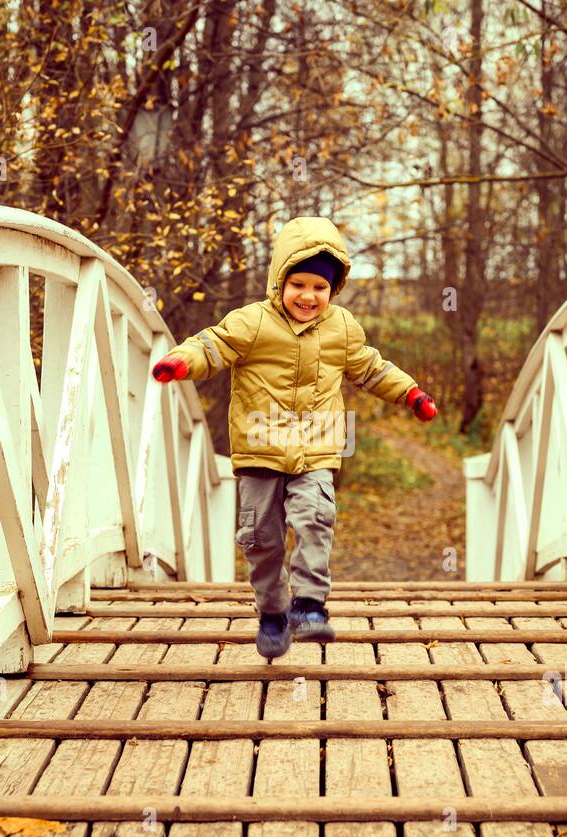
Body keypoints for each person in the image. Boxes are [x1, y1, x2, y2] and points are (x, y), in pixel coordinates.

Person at [152, 216, 437, 658]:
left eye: (320, 288)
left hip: (317, 449)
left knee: (315, 517)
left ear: (334, 289)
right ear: (279, 280)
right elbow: (213, 345)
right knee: (261, 540)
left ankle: (309, 605)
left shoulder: (342, 329)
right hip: (259, 449)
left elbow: (372, 368)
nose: (309, 296)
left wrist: (412, 394)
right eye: (299, 284)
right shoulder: (251, 322)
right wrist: (182, 361)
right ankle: (272, 613)